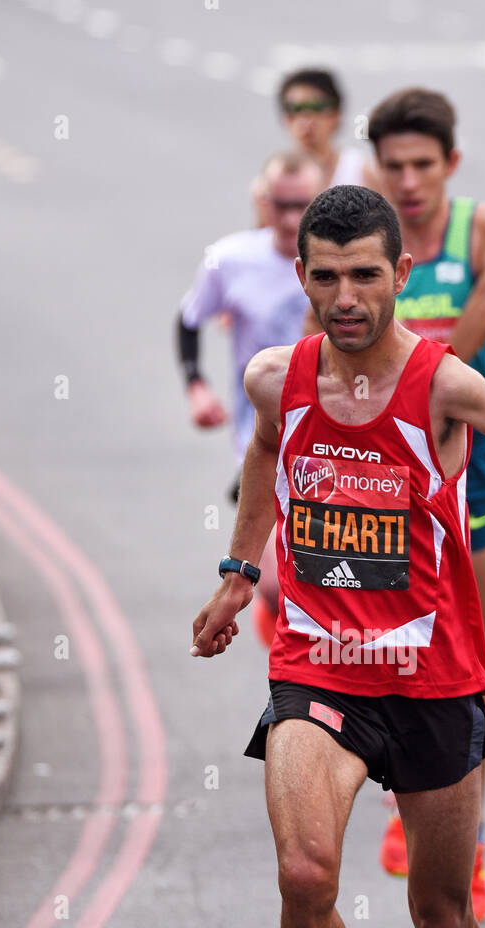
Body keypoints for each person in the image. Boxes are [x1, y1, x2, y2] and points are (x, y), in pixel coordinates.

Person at [190, 185, 485, 928]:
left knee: (442, 918)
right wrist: (242, 571)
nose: (343, 296)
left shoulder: (444, 387)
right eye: (324, 276)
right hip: (317, 664)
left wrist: (466, 464)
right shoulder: (275, 379)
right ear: (301, 277)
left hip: (434, 678)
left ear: (398, 275)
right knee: (301, 870)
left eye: (364, 274)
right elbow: (259, 454)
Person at [366, 87, 485, 918]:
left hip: (471, 467)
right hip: (382, 473)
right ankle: (400, 801)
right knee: (387, 644)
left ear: (450, 165)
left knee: (468, 654)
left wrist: (436, 371)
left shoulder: (481, 229)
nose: (409, 180)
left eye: (423, 164)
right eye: (393, 166)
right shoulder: (370, 244)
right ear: (375, 167)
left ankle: (473, 838)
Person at [176, 151, 321, 643]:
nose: (289, 218)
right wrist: (197, 386)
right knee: (279, 583)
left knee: (327, 580)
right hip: (261, 441)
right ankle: (288, 655)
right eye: (280, 204)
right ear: (262, 201)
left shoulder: (340, 262)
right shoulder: (231, 259)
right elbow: (189, 318)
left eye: (301, 205)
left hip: (331, 443)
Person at [251, 68, 379, 223]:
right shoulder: (270, 182)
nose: (306, 120)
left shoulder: (362, 172)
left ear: (337, 115)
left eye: (317, 107)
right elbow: (264, 241)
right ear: (285, 118)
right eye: (296, 109)